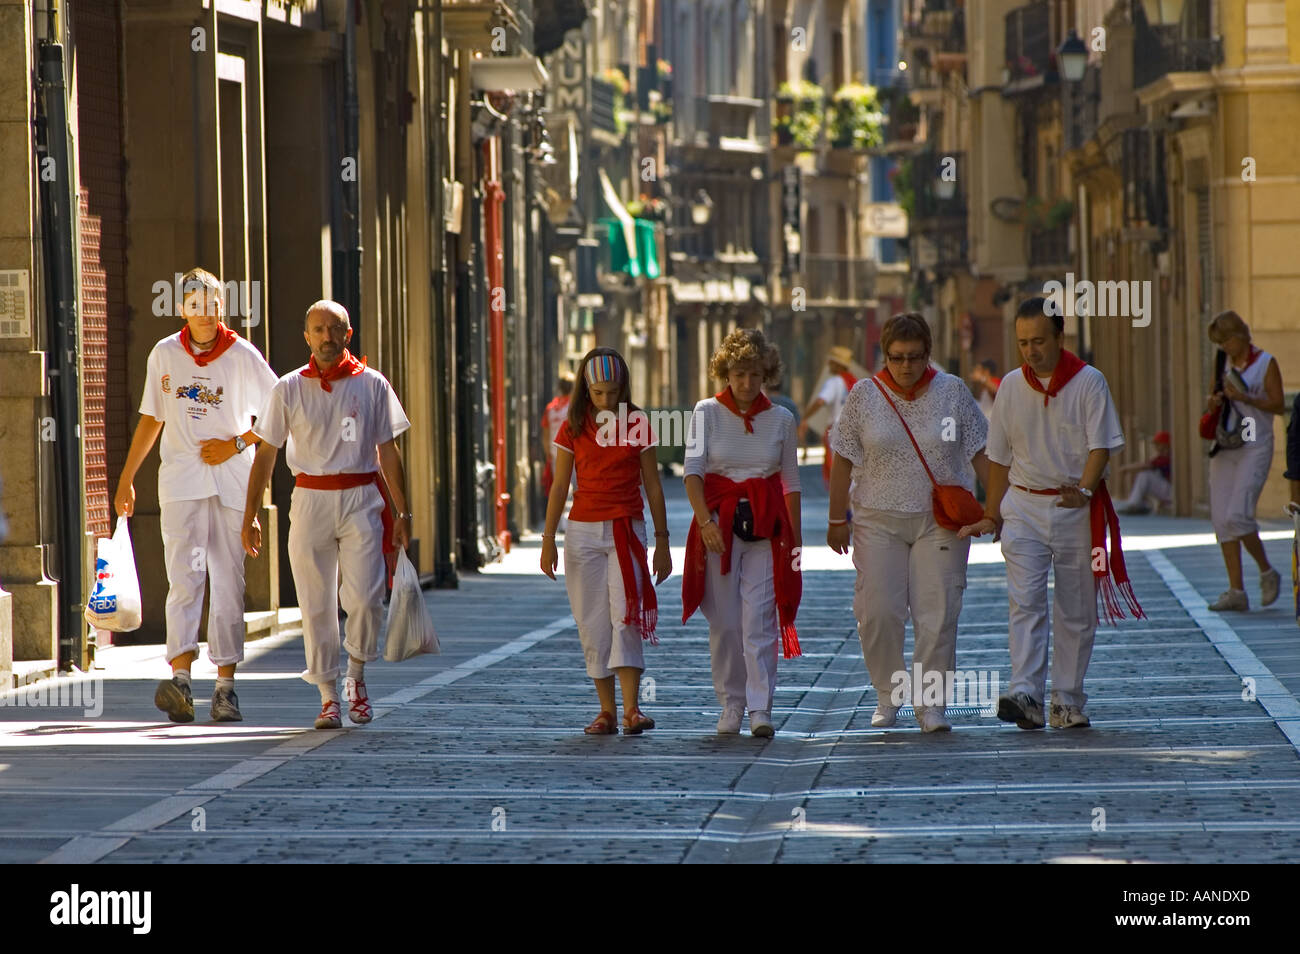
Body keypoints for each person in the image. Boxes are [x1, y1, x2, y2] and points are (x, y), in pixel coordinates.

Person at [959, 296, 1141, 730]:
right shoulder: (1010, 388)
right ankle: (1025, 693)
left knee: (1076, 608)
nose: (1030, 350)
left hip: (1074, 508)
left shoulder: (1089, 382)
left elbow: (1101, 446)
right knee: (1025, 602)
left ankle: (1066, 701)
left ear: (1061, 337)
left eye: (1039, 340)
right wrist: (992, 513)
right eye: (1023, 342)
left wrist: (1084, 488)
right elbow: (998, 458)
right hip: (1021, 505)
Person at [114, 267, 278, 723]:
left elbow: (277, 417)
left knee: (228, 581)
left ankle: (225, 687)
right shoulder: (165, 354)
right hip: (182, 483)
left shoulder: (243, 355)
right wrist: (127, 477)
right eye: (195, 304)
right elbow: (152, 417)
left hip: (230, 483)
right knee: (184, 580)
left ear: (222, 307)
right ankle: (181, 680)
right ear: (181, 308)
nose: (205, 313)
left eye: (212, 304)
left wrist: (237, 445)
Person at [241, 300, 412, 729]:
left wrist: (403, 511)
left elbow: (388, 451)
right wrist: (251, 515)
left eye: (334, 329)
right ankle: (327, 695)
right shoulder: (288, 388)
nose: (326, 337)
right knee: (315, 604)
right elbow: (265, 456)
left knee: (366, 598)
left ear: (348, 334)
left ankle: (356, 676)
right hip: (311, 499)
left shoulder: (372, 385)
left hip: (360, 496)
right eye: (317, 329)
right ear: (306, 337)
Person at [828, 313, 989, 732]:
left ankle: (930, 703)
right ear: (885, 355)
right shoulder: (865, 395)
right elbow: (843, 456)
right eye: (897, 358)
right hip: (876, 519)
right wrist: (835, 517)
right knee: (877, 611)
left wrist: (997, 509)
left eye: (914, 357)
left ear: (927, 354)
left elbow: (981, 452)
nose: (905, 366)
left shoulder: (952, 391)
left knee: (938, 611)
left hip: (941, 521)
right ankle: (889, 691)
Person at [540, 348, 671, 735]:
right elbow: (560, 485)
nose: (607, 400)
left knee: (625, 616)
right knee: (591, 622)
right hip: (581, 532)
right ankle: (606, 711)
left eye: (613, 392)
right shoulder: (573, 426)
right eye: (598, 393)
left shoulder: (637, 423)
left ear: (623, 388)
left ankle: (632, 709)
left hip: (626, 529)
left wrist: (662, 540)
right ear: (586, 389)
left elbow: (653, 485)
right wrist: (548, 540)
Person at [682, 328, 802, 738]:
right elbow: (693, 474)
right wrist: (705, 523)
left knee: (759, 623)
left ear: (765, 373)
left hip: (767, 531)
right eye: (737, 374)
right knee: (726, 623)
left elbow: (790, 484)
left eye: (753, 374)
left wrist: (795, 542)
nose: (746, 383)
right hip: (719, 528)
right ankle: (730, 702)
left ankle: (758, 707)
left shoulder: (782, 419)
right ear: (725, 374)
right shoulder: (705, 413)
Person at [1203, 311, 1285, 611]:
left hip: (1254, 443)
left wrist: (1246, 397)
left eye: (1226, 340)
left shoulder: (1265, 363)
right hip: (1226, 445)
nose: (1223, 346)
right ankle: (1236, 590)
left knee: (1238, 515)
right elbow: (1212, 395)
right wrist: (1214, 401)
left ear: (1240, 335)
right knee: (1222, 519)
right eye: (1219, 342)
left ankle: (1267, 571)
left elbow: (1278, 404)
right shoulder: (1221, 362)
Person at [798, 344, 856, 487]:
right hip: (854, 432)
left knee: (836, 474)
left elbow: (820, 401)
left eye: (831, 361)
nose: (828, 364)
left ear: (837, 364)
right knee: (850, 474)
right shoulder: (855, 382)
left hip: (837, 432)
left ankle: (840, 507)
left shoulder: (834, 382)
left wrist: (805, 417)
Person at [1116, 431, 1172, 515]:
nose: (1156, 447)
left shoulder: (1168, 457)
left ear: (1165, 445)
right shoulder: (1161, 457)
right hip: (1169, 492)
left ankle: (1134, 505)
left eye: (1158, 444)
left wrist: (1125, 469)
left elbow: (1146, 466)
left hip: (1173, 493)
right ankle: (1142, 505)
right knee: (1145, 475)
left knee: (1145, 475)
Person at [540, 371, 575, 499]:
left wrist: (548, 452)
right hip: (574, 452)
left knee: (559, 487)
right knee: (574, 487)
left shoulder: (550, 408)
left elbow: (545, 434)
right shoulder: (573, 407)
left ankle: (562, 516)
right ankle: (568, 516)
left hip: (556, 453)